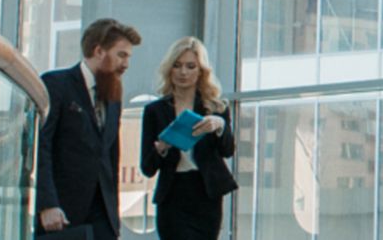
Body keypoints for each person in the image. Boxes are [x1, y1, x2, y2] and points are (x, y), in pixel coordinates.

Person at [38, 18, 144, 237]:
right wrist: (47, 203)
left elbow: (111, 156)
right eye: (121, 55)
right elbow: (41, 147)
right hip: (63, 212)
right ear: (99, 51)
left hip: (102, 215)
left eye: (128, 57)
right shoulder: (56, 85)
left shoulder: (113, 96)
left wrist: (114, 219)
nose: (126, 65)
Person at [140, 37, 240, 240]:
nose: (183, 72)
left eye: (190, 66)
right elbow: (147, 168)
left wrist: (219, 126)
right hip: (173, 193)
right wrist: (161, 148)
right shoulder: (155, 111)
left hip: (206, 192)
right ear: (169, 69)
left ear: (201, 71)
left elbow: (228, 151)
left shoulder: (215, 107)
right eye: (177, 66)